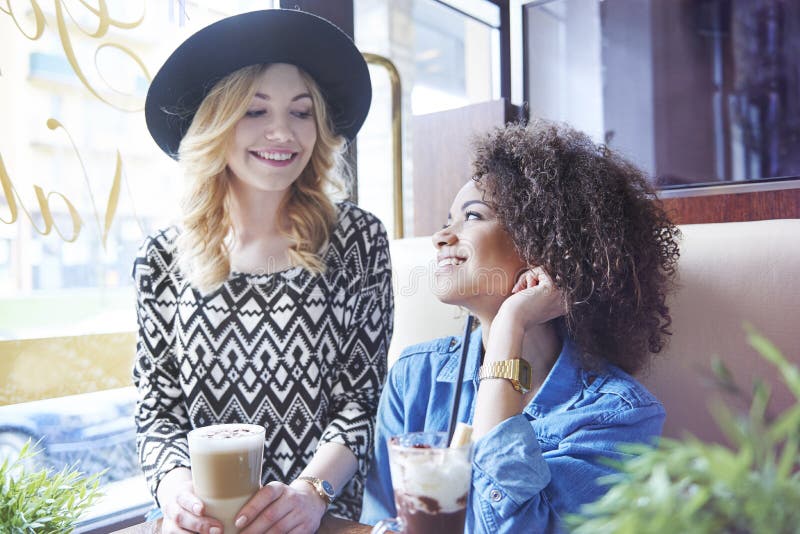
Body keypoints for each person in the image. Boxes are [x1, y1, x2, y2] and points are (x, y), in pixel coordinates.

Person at [133, 9, 393, 534]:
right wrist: (175, 491)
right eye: (254, 111)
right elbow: (156, 413)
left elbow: (360, 400)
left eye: (301, 112)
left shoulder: (359, 241)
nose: (282, 132)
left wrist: (309, 496)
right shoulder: (160, 257)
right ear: (215, 123)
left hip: (319, 522)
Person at [361, 120, 680, 532]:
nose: (442, 235)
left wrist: (511, 323)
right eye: (447, 220)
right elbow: (380, 520)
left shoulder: (618, 417)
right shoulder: (414, 376)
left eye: (472, 216)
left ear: (545, 243)